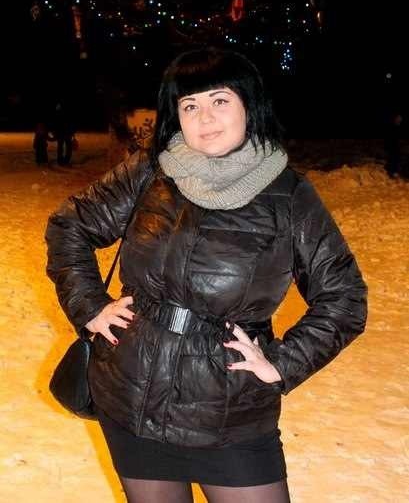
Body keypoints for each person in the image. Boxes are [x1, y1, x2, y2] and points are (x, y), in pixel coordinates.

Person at [45, 48, 367, 503]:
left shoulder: (288, 195)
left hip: (229, 411)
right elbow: (70, 226)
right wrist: (90, 305)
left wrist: (282, 362)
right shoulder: (151, 172)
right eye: (190, 105)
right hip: (130, 395)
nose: (205, 118)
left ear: (249, 105)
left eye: (219, 100)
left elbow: (344, 297)